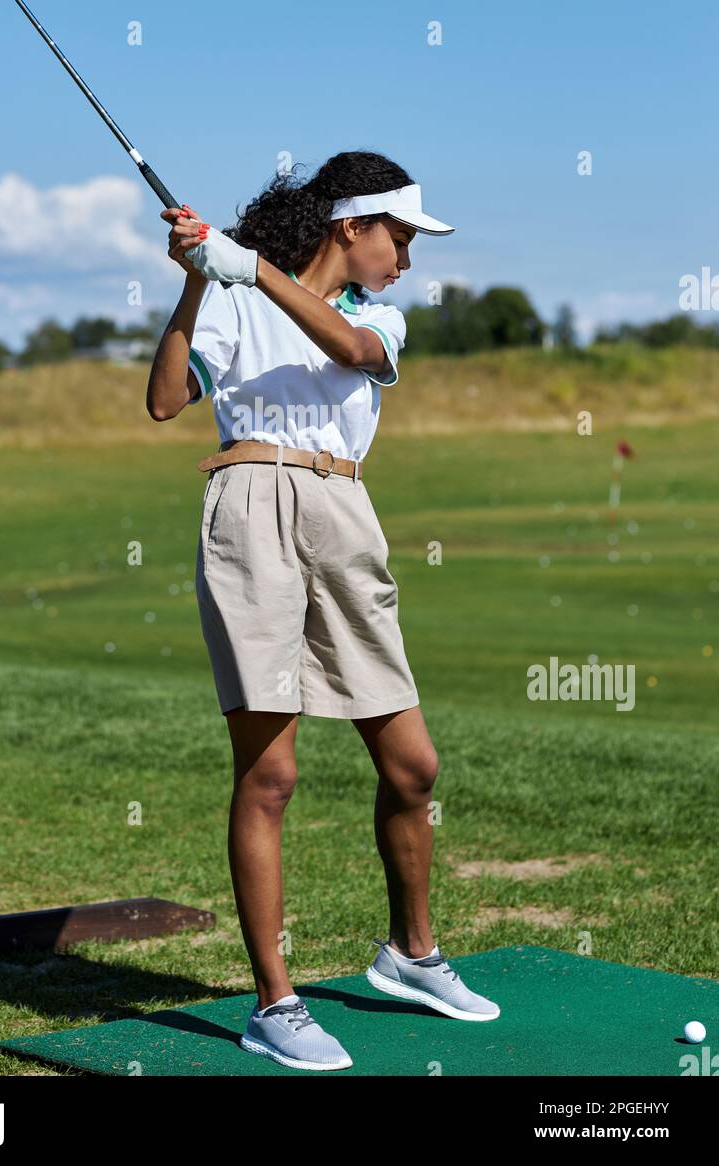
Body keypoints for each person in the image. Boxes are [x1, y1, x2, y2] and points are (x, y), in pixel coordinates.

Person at [146, 150, 499, 1072]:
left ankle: (411, 954)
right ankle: (275, 1003)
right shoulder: (229, 295)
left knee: (414, 766)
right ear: (351, 225)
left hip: (344, 514)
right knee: (271, 778)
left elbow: (352, 354)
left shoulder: (378, 316)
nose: (408, 261)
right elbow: (162, 400)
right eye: (402, 238)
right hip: (249, 504)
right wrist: (196, 283)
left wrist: (246, 265)